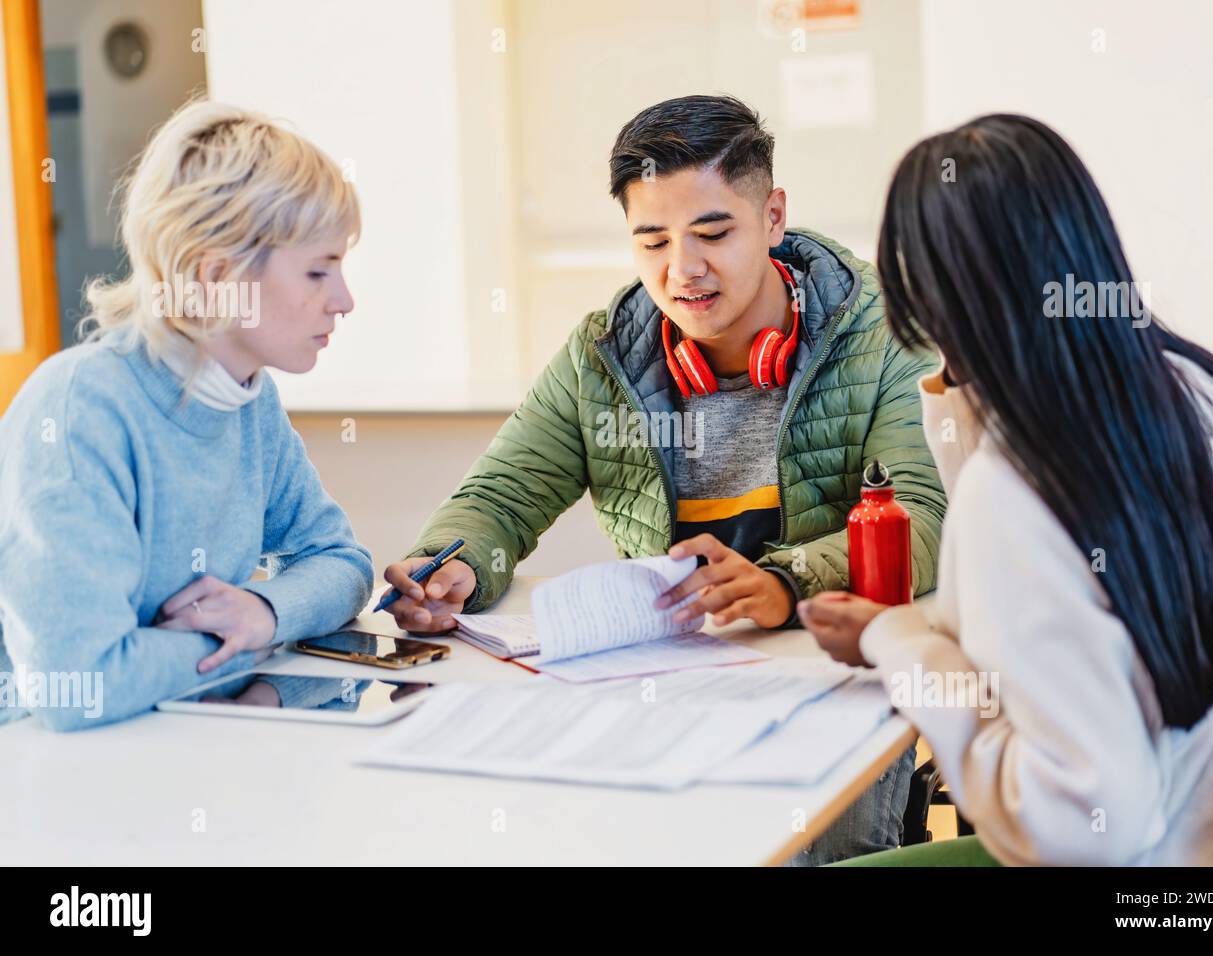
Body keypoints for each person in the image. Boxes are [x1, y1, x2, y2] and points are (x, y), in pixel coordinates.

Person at [381, 94, 946, 863]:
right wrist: (453, 565)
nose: (683, 271)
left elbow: (923, 515)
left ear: (773, 216)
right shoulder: (604, 355)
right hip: (674, 685)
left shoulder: (884, 335)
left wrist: (786, 582)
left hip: (836, 676)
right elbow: (498, 499)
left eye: (714, 233)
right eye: (652, 242)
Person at [802, 113, 1213, 866]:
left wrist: (892, 639)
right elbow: (1021, 600)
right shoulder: (1191, 387)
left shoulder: (1015, 491)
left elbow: (1082, 825)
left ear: (935, 303)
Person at [0, 99, 373, 730]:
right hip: (43, 767)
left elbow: (341, 561)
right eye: (317, 271)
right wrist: (244, 646)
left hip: (169, 737)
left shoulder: (246, 397)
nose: (344, 300)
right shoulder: (81, 409)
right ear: (217, 274)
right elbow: (77, 684)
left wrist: (265, 610)